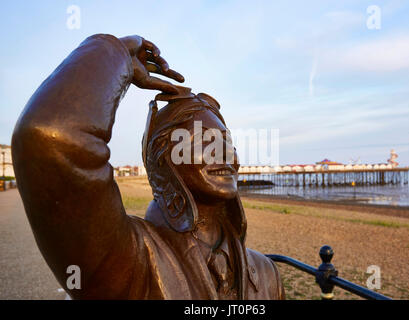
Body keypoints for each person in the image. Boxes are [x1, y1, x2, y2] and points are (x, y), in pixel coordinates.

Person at [12, 34, 285, 299]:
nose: (225, 153)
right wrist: (118, 54)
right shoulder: (131, 261)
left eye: (227, 142)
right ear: (164, 158)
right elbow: (51, 136)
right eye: (205, 141)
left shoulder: (266, 273)